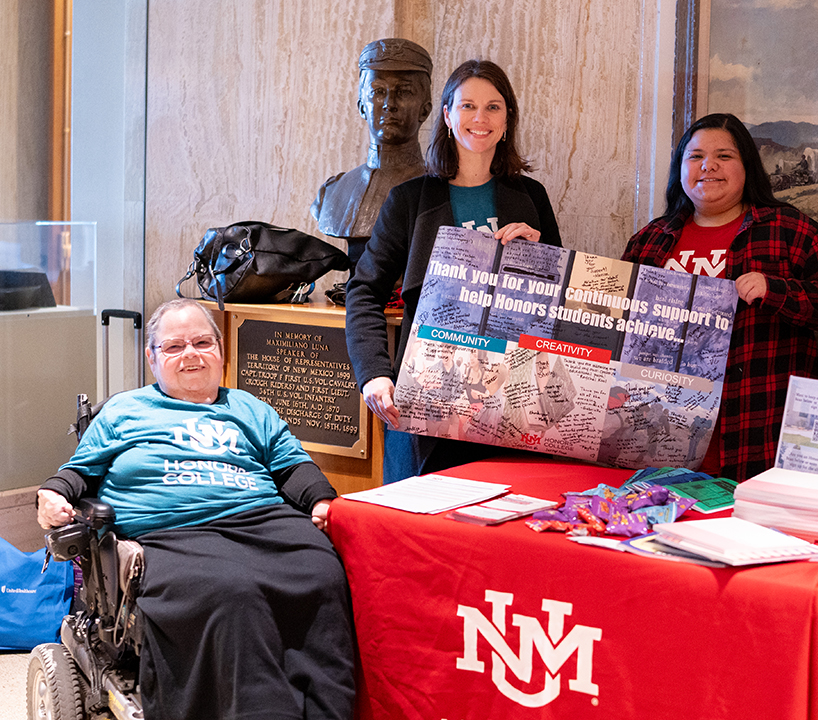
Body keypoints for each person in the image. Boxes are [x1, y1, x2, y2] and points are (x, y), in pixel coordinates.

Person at [35, 298, 354, 720]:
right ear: (152, 357)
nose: (191, 354)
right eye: (174, 347)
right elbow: (78, 473)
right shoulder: (124, 412)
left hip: (262, 521)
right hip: (174, 533)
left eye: (202, 342)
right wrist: (53, 494)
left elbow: (293, 465)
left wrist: (321, 500)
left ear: (220, 350)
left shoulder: (248, 408)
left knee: (322, 572)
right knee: (231, 592)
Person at [345, 59, 561, 484]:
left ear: (507, 119)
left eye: (493, 108)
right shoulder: (408, 200)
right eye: (467, 106)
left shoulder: (531, 197)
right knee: (419, 524)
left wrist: (541, 259)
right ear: (446, 114)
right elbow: (364, 291)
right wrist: (373, 375)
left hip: (512, 398)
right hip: (427, 396)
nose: (479, 119)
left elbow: (558, 305)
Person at [622, 113, 818, 481]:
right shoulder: (651, 238)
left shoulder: (789, 229)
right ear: (680, 168)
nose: (708, 166)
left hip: (759, 439)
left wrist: (775, 290)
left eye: (724, 156)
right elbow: (615, 324)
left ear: (747, 166)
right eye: (695, 156)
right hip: (660, 442)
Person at [312, 39, 433, 267]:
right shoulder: (333, 191)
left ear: (425, 109)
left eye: (404, 92)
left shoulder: (437, 192)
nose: (389, 103)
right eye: (378, 91)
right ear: (361, 106)